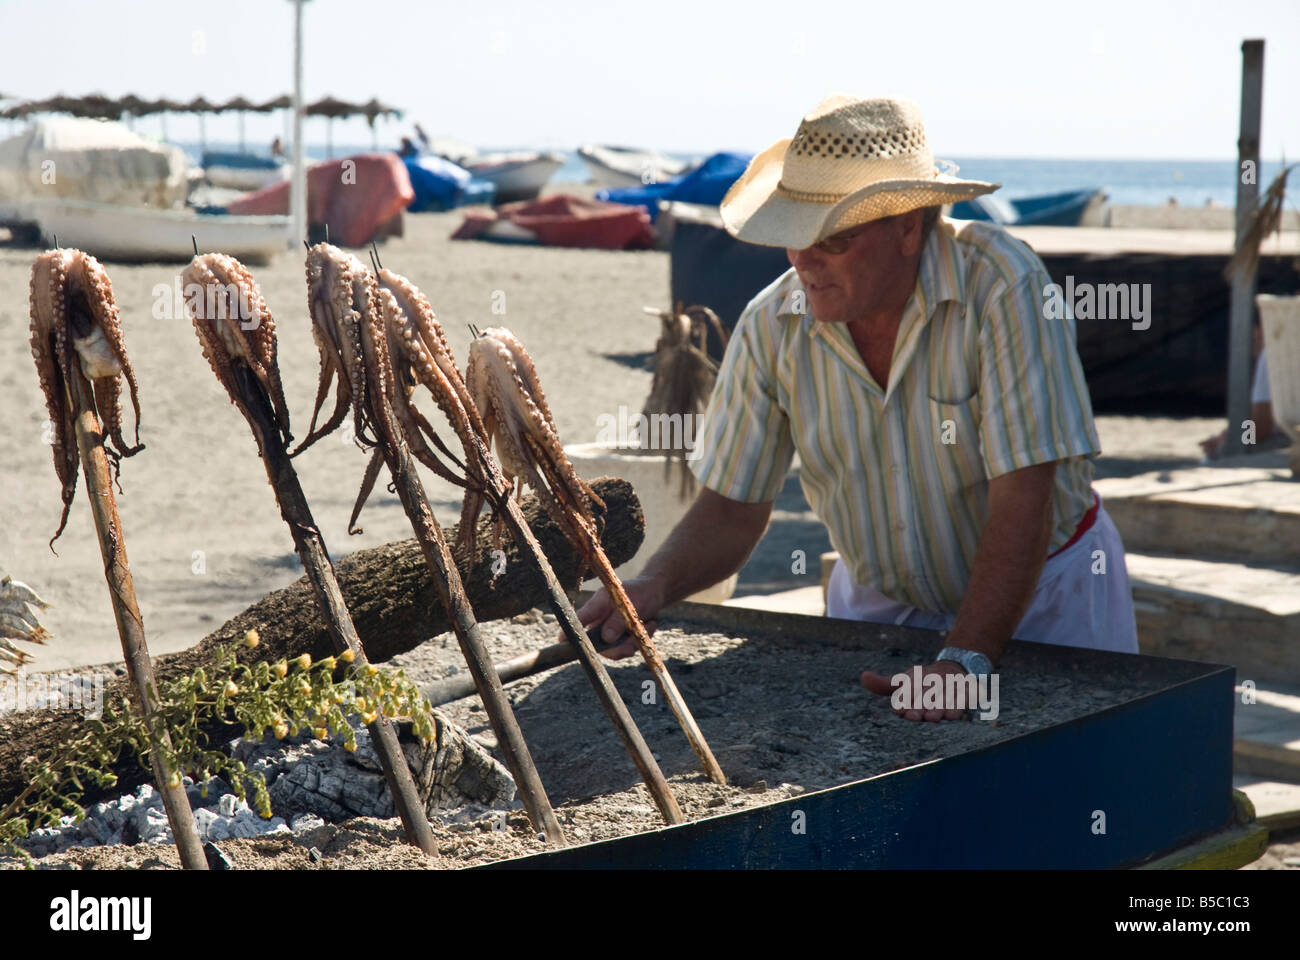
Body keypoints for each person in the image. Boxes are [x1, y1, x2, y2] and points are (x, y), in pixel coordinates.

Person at [578, 94, 1139, 722]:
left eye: (833, 239)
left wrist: (967, 660)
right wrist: (656, 583)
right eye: (793, 236)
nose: (802, 260)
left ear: (908, 226)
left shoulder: (1004, 286)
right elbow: (734, 506)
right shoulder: (772, 324)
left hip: (1046, 599)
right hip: (878, 607)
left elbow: (1025, 494)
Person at [1200, 319, 1279, 459]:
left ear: (1257, 332)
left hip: (1286, 445)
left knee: (1221, 452)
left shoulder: (1272, 353)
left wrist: (1228, 439)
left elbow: (1260, 429)